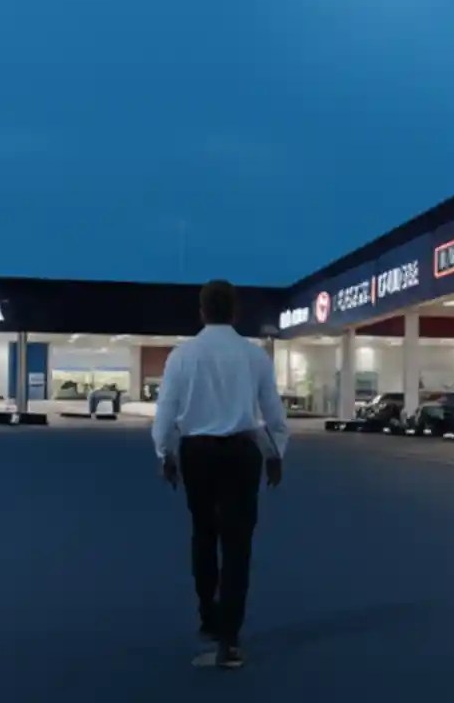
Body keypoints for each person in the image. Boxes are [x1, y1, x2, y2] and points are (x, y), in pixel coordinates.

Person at [152, 279, 289, 669]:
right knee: (238, 545)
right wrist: (276, 454)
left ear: (201, 311)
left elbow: (166, 413)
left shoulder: (182, 356)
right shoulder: (255, 356)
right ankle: (230, 637)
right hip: (243, 454)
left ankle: (208, 618)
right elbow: (274, 417)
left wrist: (165, 454)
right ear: (235, 312)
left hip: (197, 453)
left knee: (204, 534)